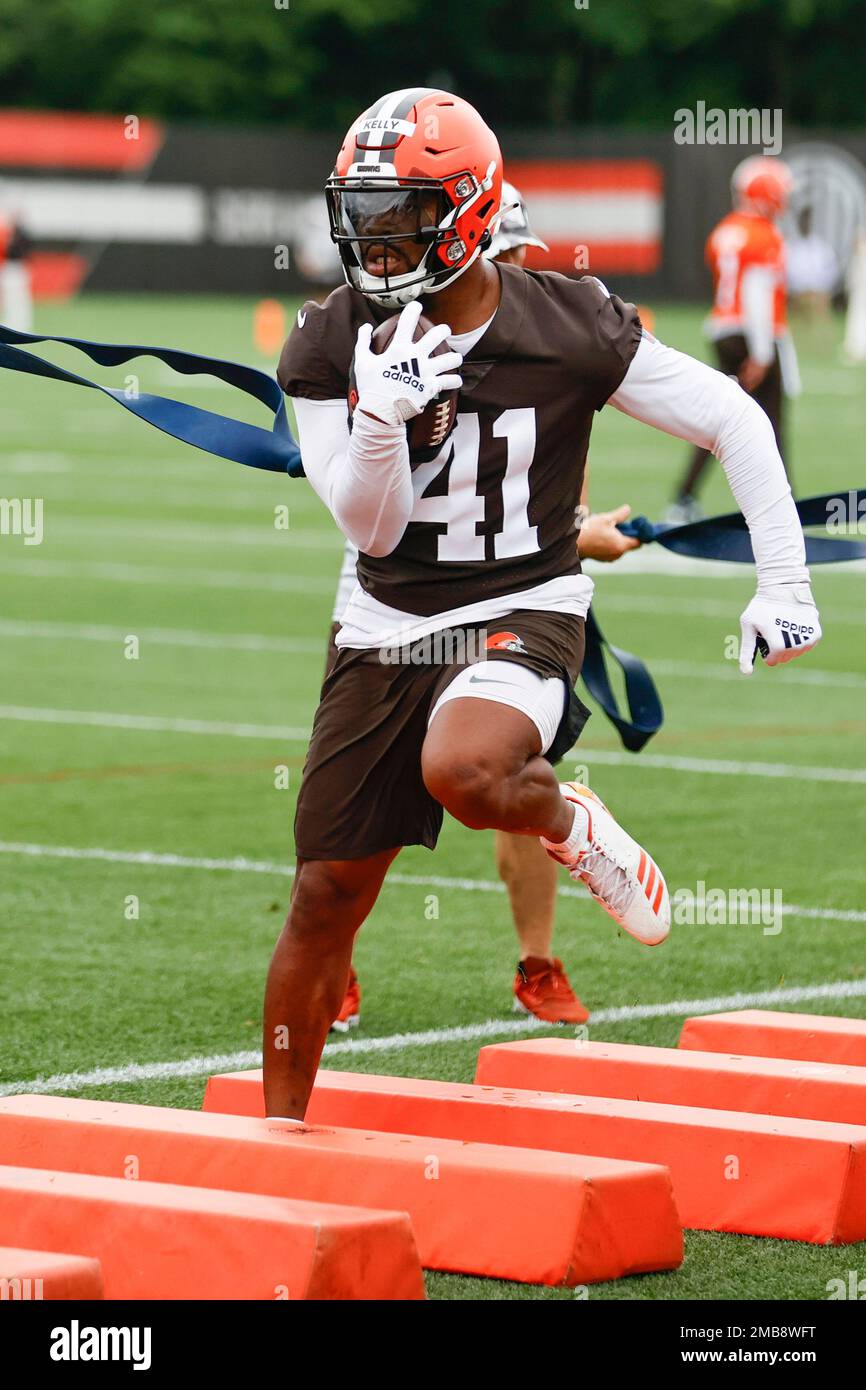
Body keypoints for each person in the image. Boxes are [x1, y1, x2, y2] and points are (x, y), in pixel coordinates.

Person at [266, 90, 821, 1121]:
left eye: (402, 215)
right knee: (323, 895)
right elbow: (370, 528)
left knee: (467, 769)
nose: (377, 241)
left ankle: (567, 816)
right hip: (384, 618)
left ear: (472, 211)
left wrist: (781, 583)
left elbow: (731, 417)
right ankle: (280, 1138)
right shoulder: (329, 335)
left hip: (524, 599)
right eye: (365, 214)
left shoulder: (565, 320)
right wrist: (383, 417)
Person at [328, 179, 640, 1031]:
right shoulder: (395, 339)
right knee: (373, 798)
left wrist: (578, 537)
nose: (507, 277)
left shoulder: (548, 343)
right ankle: (337, 958)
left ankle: (538, 964)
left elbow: (526, 511)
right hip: (400, 603)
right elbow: (414, 520)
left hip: (514, 599)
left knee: (502, 776)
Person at [668, 155, 799, 524]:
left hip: (724, 331)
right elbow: (756, 295)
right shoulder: (764, 236)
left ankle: (684, 497)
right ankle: (782, 506)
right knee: (770, 424)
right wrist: (761, 352)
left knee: (719, 419)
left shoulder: (726, 230)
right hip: (752, 334)